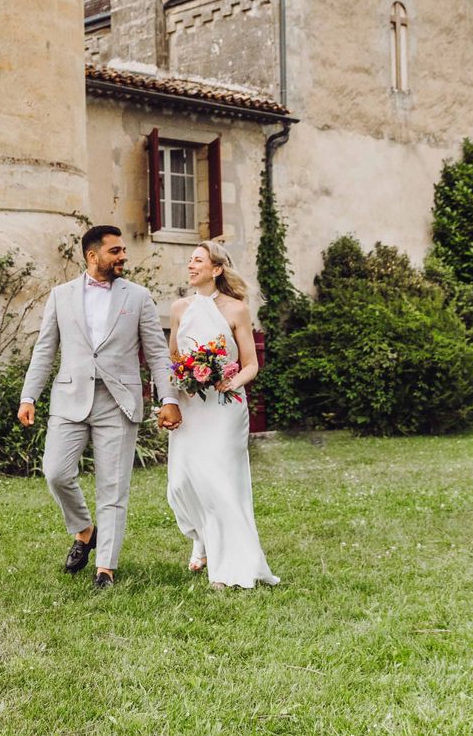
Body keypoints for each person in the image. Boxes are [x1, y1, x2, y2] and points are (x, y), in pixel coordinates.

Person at [18, 224, 181, 589]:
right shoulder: (60, 296)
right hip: (69, 399)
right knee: (55, 473)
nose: (123, 256)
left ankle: (105, 567)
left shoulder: (138, 297)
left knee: (113, 486)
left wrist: (168, 398)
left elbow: (156, 352)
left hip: (119, 403)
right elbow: (45, 349)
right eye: (116, 251)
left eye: (123, 250)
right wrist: (29, 396)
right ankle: (84, 530)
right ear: (93, 256)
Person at [167, 240, 280, 590]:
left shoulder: (236, 310)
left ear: (216, 269)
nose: (191, 265)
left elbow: (251, 365)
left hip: (225, 407)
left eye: (198, 260)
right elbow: (172, 360)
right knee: (182, 483)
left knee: (219, 482)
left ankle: (231, 567)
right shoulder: (179, 308)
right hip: (191, 407)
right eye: (190, 260)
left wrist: (231, 382)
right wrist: (174, 391)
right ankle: (201, 537)